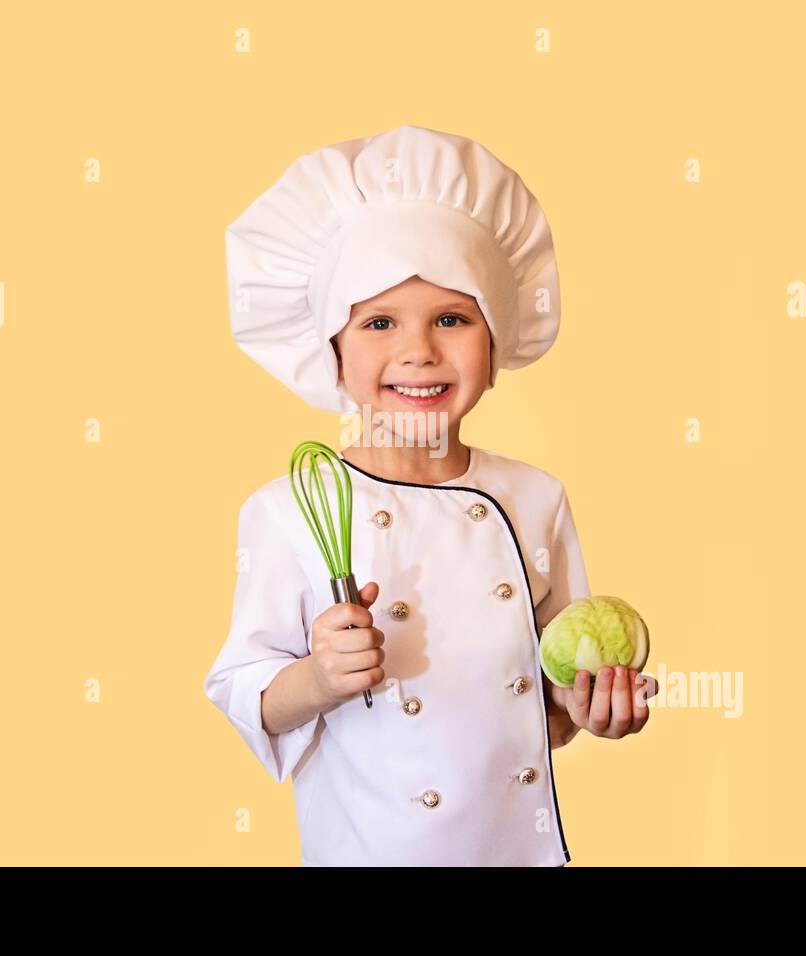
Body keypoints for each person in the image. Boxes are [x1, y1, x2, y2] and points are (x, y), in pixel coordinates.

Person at [204, 125, 655, 866]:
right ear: (333, 352)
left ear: (496, 340)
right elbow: (244, 690)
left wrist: (585, 706)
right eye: (379, 322)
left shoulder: (535, 497)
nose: (419, 351)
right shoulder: (286, 511)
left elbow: (541, 703)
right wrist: (318, 679)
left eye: (452, 318)